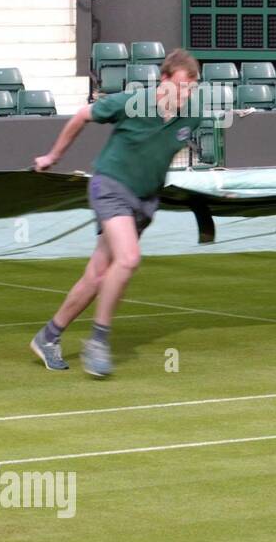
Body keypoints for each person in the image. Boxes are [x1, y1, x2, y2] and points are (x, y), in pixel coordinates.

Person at [29, 49, 203, 376]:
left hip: (145, 200)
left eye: (191, 89)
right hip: (110, 186)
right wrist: (53, 156)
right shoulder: (131, 102)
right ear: (164, 79)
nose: (185, 94)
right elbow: (82, 116)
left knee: (98, 274)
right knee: (129, 258)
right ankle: (98, 341)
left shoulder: (194, 114)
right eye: (180, 86)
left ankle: (48, 336)